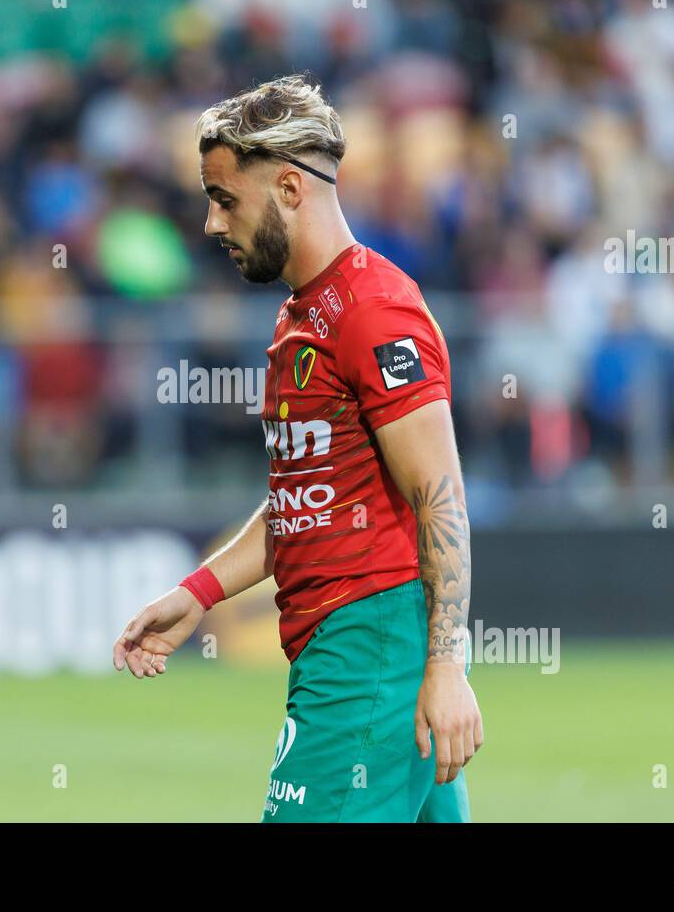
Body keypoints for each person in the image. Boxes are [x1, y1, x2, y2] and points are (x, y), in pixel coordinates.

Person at [113, 75, 482, 822]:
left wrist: (445, 666)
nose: (214, 224)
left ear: (288, 187)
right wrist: (199, 594)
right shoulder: (300, 318)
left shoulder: (376, 314)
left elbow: (440, 498)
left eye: (225, 199)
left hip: (368, 652)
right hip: (348, 650)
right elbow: (304, 497)